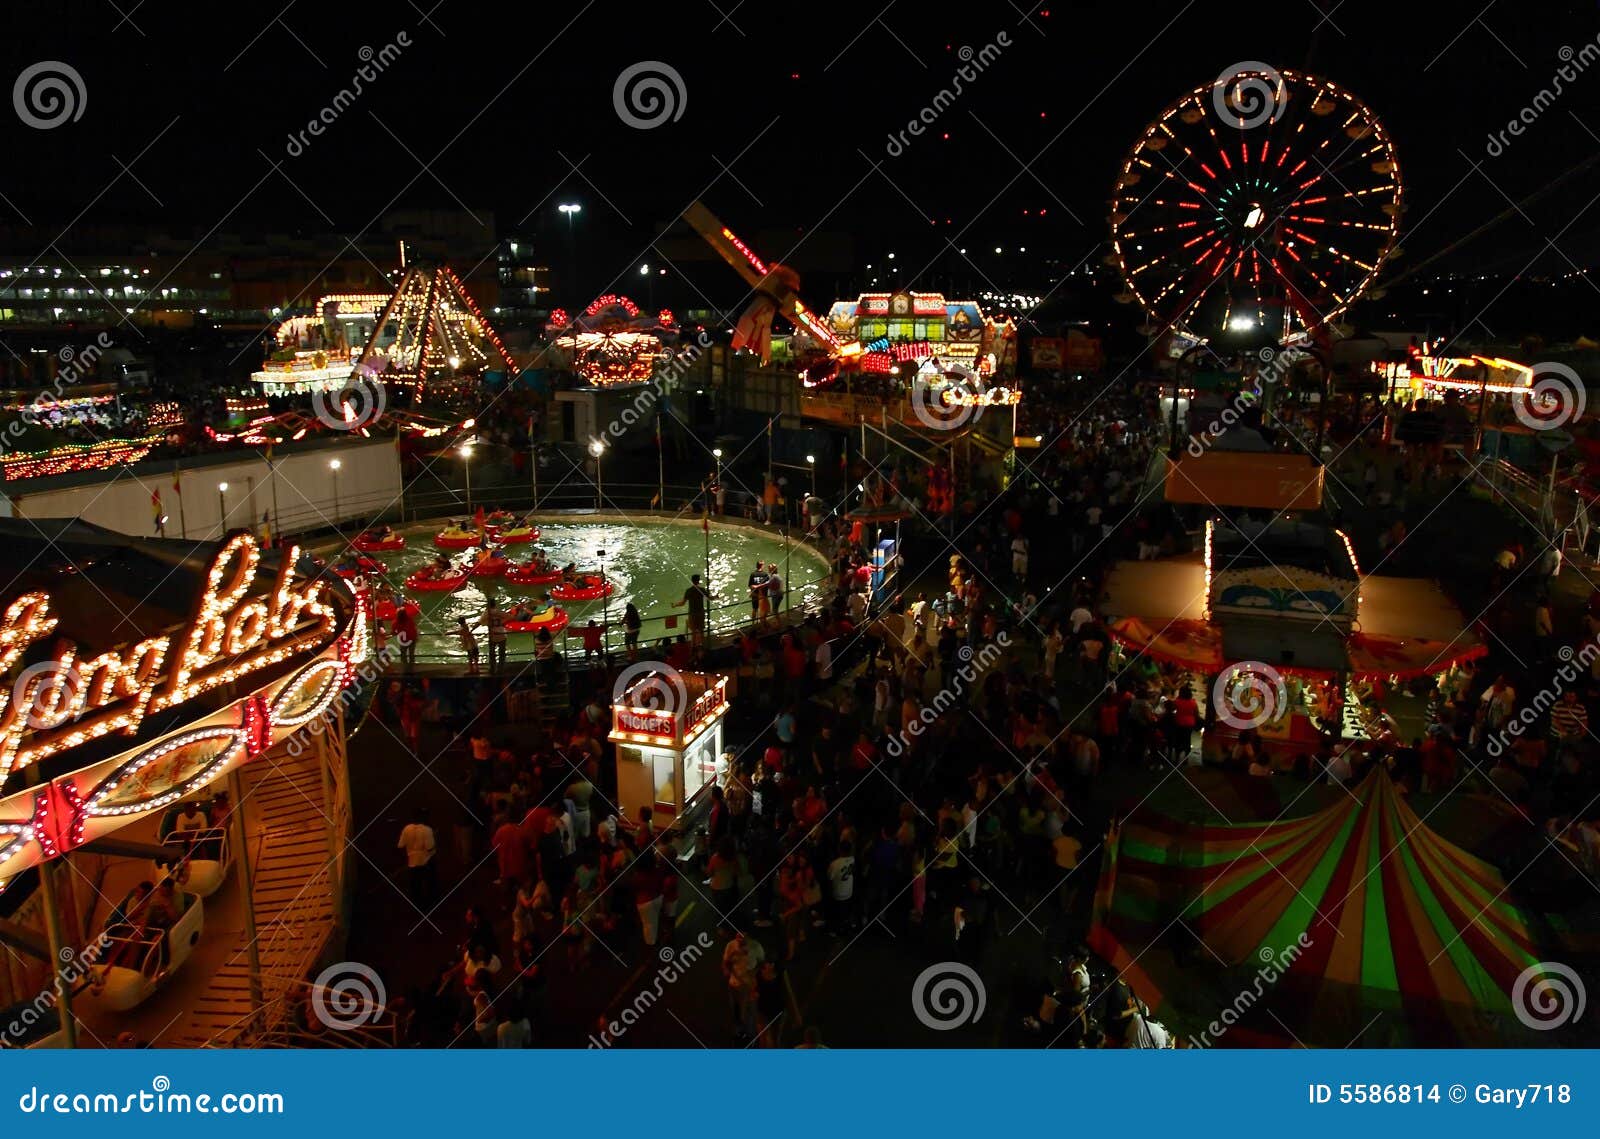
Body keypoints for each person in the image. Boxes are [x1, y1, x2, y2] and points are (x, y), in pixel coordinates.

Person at [398, 808, 437, 906]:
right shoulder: (427, 830)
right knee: (428, 882)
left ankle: (416, 902)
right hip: (425, 861)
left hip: (411, 861)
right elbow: (430, 847)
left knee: (415, 884)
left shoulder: (406, 829)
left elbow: (400, 845)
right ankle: (429, 901)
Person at [673, 574, 709, 647]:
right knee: (701, 631)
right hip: (700, 613)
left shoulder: (689, 591)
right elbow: (710, 598)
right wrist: (716, 597)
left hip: (692, 614)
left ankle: (693, 647)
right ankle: (703, 646)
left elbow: (682, 603)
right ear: (698, 581)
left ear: (692, 581)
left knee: (693, 632)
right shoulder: (702, 590)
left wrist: (675, 605)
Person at [394, 602, 418, 670]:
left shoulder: (396, 622)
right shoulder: (409, 619)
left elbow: (393, 631)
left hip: (403, 640)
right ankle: (412, 668)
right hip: (412, 638)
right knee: (411, 654)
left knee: (403, 654)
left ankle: (404, 668)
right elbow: (414, 627)